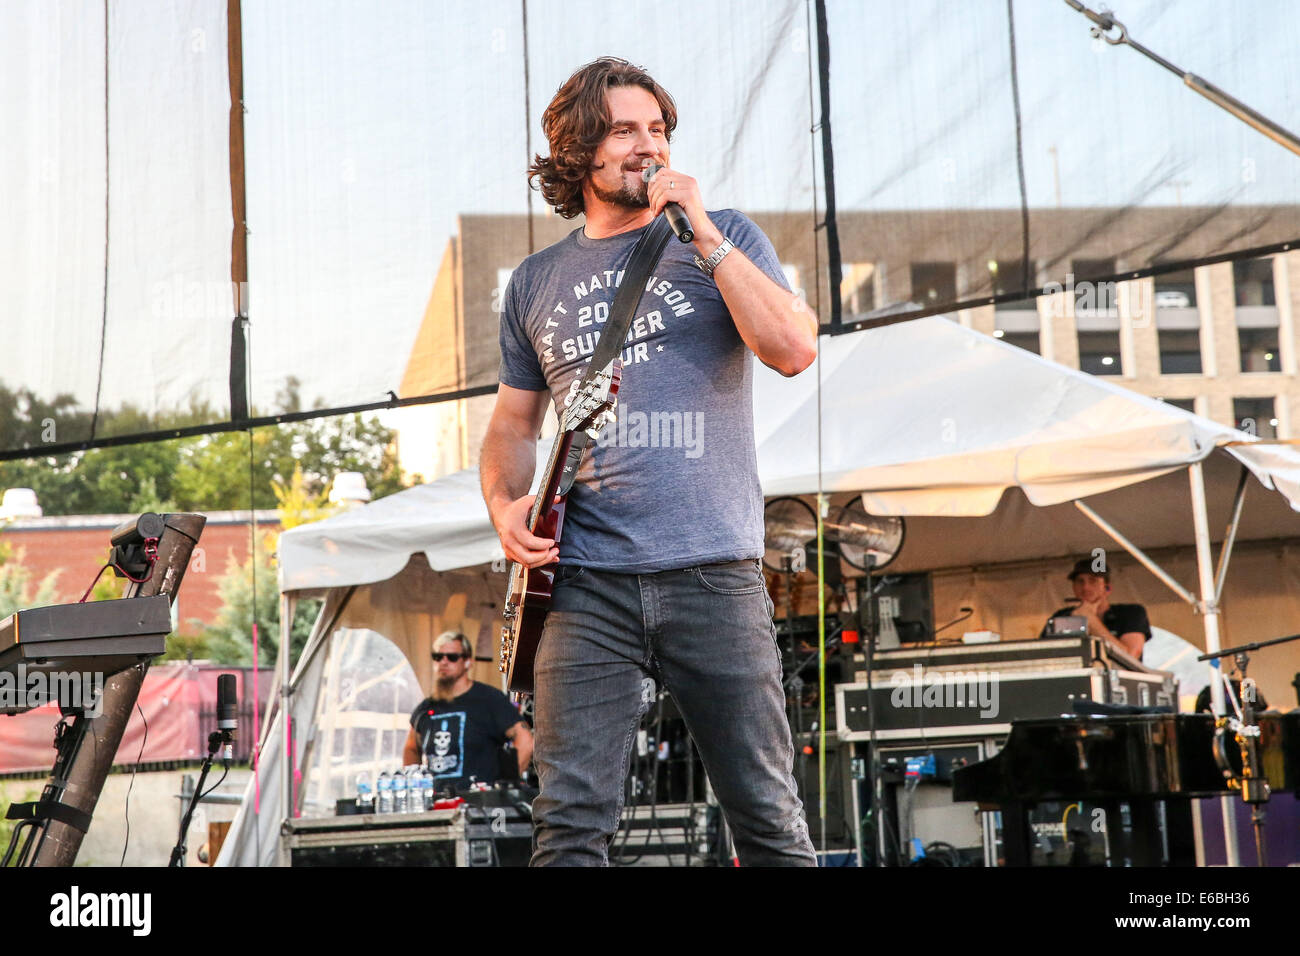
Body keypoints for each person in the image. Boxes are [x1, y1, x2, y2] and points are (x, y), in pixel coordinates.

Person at [480, 57, 819, 866]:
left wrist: (701, 233)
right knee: (568, 826)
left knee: (767, 816)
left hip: (714, 571)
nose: (648, 146)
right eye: (626, 131)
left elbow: (794, 348)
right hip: (583, 582)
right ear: (579, 149)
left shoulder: (726, 235)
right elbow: (512, 425)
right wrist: (503, 508)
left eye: (658, 130)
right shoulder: (535, 282)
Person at [402, 631, 533, 790]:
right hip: (439, 805)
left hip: (480, 806)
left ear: (468, 662)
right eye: (438, 657)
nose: (444, 662)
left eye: (452, 657)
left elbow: (525, 739)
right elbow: (411, 747)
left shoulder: (489, 699)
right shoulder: (425, 708)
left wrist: (503, 787)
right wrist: (414, 788)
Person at [1039, 558, 1151, 659]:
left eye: (1093, 580)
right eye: (1080, 581)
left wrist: (1090, 620)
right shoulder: (1061, 616)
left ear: (1107, 588)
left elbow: (1131, 656)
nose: (1085, 587)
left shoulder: (1131, 612)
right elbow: (1046, 656)